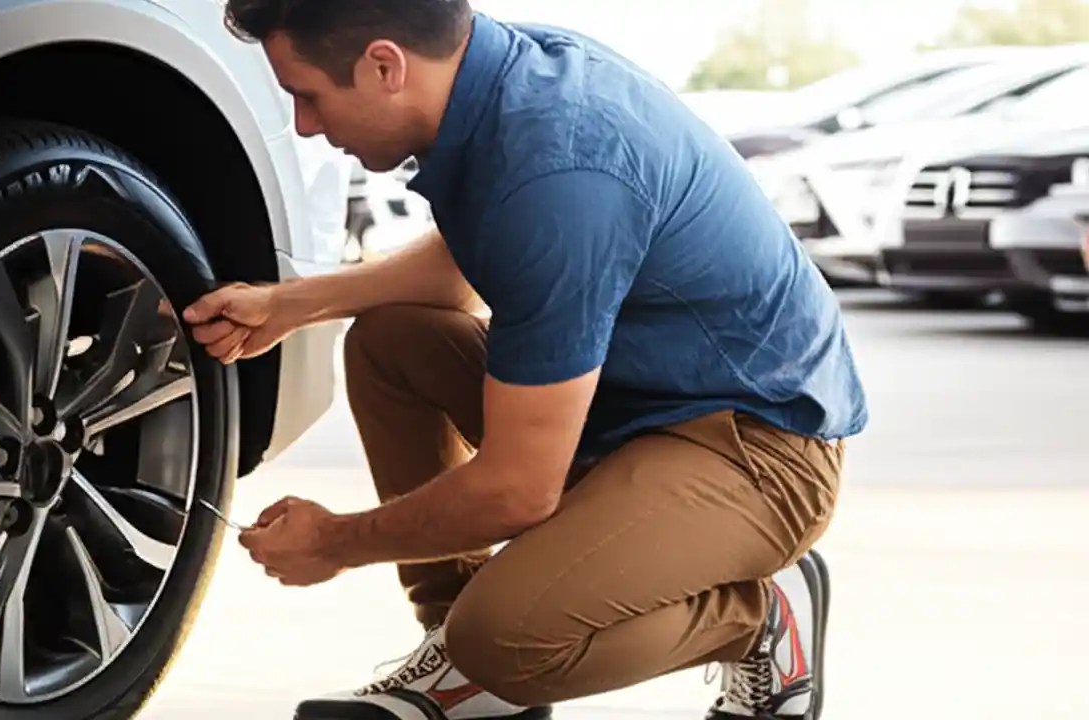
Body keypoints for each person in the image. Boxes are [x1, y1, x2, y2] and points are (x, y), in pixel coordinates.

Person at [183, 1, 868, 718]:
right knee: (391, 343)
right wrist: (293, 303)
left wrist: (336, 542)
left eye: (308, 95)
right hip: (629, 405)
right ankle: (461, 665)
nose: (305, 125)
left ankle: (760, 616)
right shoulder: (499, 82)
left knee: (507, 638)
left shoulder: (560, 161)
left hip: (755, 447)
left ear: (385, 65)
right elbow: (470, 269)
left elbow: (517, 490)